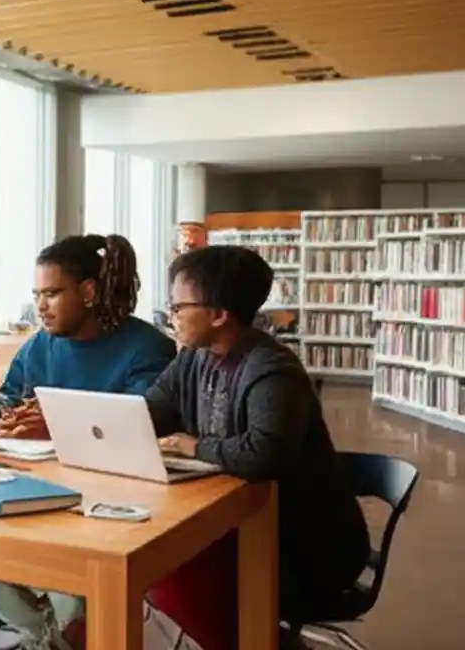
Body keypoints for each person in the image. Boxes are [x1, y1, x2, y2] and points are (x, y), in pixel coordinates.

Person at [0, 236, 175, 650]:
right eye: (37, 295)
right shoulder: (40, 345)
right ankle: (50, 639)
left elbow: (139, 425)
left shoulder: (147, 348)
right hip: (29, 490)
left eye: (52, 294)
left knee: (68, 580)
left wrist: (54, 426)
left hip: (107, 504)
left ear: (88, 291)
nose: (41, 306)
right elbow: (6, 403)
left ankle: (55, 638)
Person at [145, 246, 369, 650]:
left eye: (178, 307)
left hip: (304, 544)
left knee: (169, 575)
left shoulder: (272, 369)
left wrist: (195, 447)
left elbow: (264, 455)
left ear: (218, 314)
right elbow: (153, 409)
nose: (170, 316)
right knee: (159, 560)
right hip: (235, 526)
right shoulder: (193, 359)